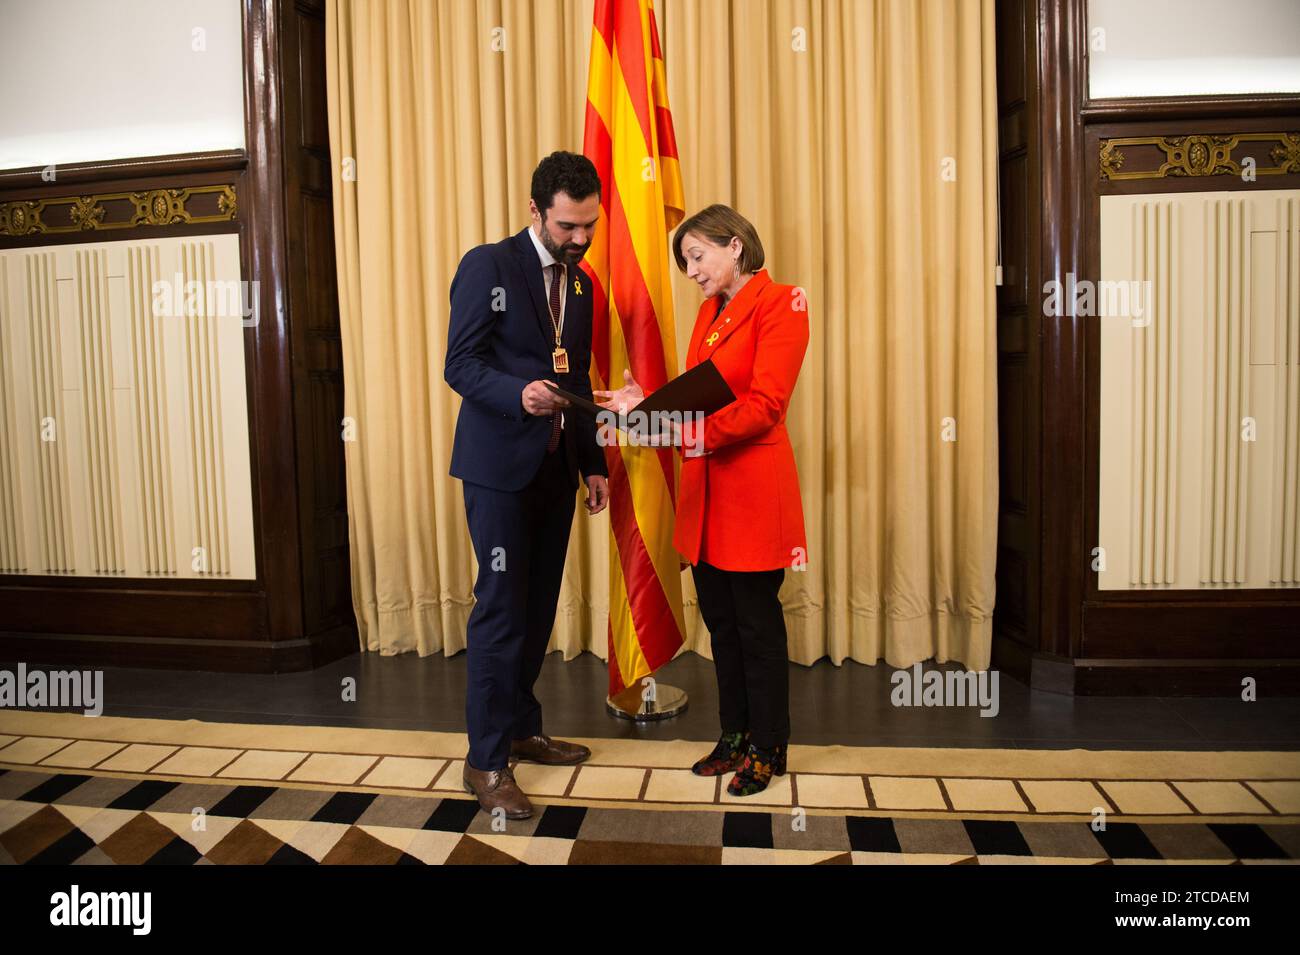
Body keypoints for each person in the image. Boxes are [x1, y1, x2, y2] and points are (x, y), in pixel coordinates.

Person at [596, 203, 809, 796]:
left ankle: (769, 747)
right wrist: (646, 402)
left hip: (752, 492)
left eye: (697, 256)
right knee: (720, 624)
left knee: (756, 628)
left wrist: (687, 430)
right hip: (704, 494)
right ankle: (734, 736)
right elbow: (703, 394)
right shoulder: (708, 314)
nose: (690, 270)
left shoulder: (784, 302)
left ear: (734, 245)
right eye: (684, 261)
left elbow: (766, 404)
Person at [444, 151, 610, 819]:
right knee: (502, 610)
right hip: (498, 472)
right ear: (535, 210)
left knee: (537, 609)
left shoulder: (582, 285)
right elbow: (461, 364)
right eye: (568, 226)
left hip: (555, 470)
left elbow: (577, 380)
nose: (579, 239)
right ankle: (485, 761)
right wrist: (520, 394)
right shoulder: (488, 265)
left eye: (589, 225)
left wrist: (592, 461)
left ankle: (520, 726)